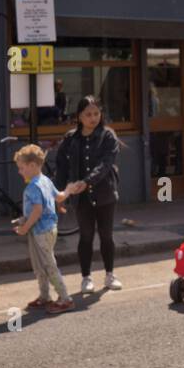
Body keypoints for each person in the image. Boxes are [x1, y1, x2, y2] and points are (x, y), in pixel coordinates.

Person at [52, 95, 123, 293]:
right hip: (80, 196)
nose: (93, 118)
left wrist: (87, 181)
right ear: (79, 117)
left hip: (105, 193)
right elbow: (62, 166)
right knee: (86, 236)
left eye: (96, 113)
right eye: (88, 114)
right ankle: (86, 278)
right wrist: (60, 193)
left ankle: (110, 274)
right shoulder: (71, 138)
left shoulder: (107, 136)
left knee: (106, 235)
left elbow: (105, 164)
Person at [15, 144, 74, 314]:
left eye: (21, 168)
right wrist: (69, 189)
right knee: (40, 264)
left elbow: (38, 210)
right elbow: (60, 197)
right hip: (46, 230)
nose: (20, 172)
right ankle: (44, 296)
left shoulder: (33, 186)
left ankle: (65, 299)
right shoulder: (46, 180)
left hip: (40, 231)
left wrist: (24, 227)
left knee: (48, 264)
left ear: (32, 165)